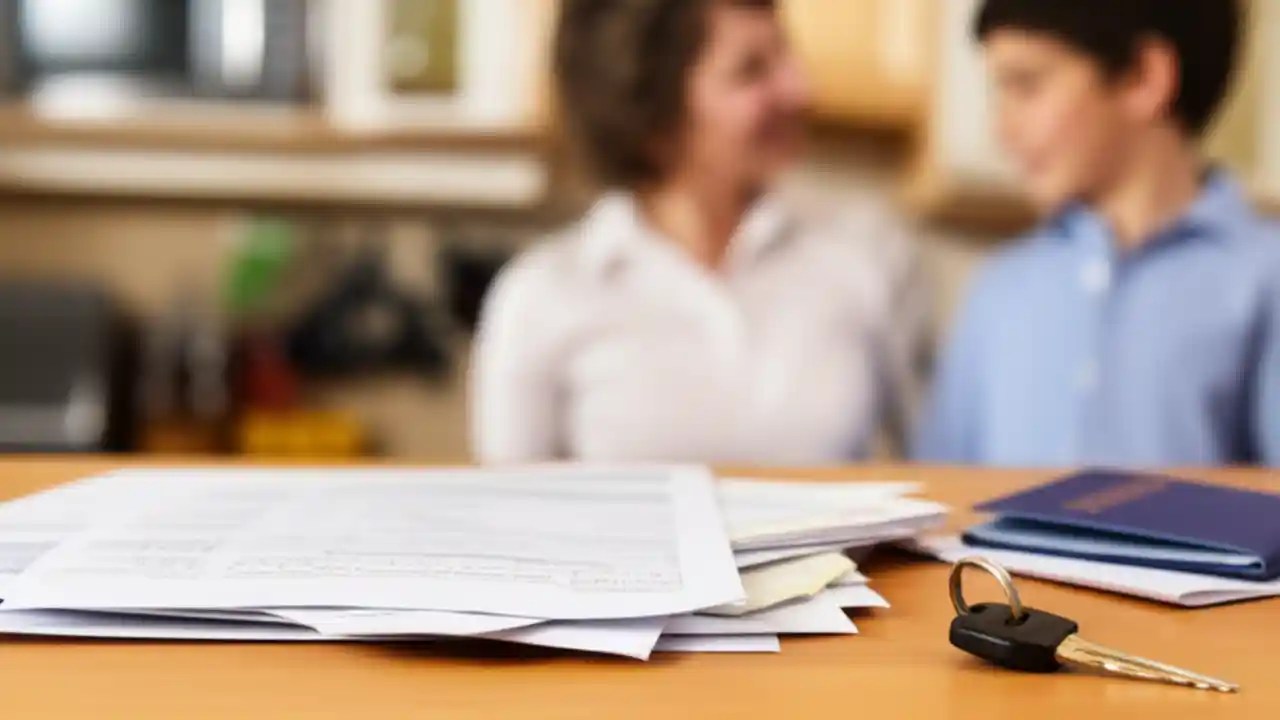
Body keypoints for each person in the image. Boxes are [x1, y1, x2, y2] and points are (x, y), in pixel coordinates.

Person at [471, 0, 925, 465]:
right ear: (653, 114)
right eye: (750, 71)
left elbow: (944, 481)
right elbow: (511, 519)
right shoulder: (542, 296)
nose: (799, 89)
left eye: (785, 56)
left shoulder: (869, 255)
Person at [918, 0, 1280, 467]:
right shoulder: (998, 289)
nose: (1002, 129)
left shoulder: (1263, 277)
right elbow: (933, 493)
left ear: (1143, 78)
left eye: (1027, 86)